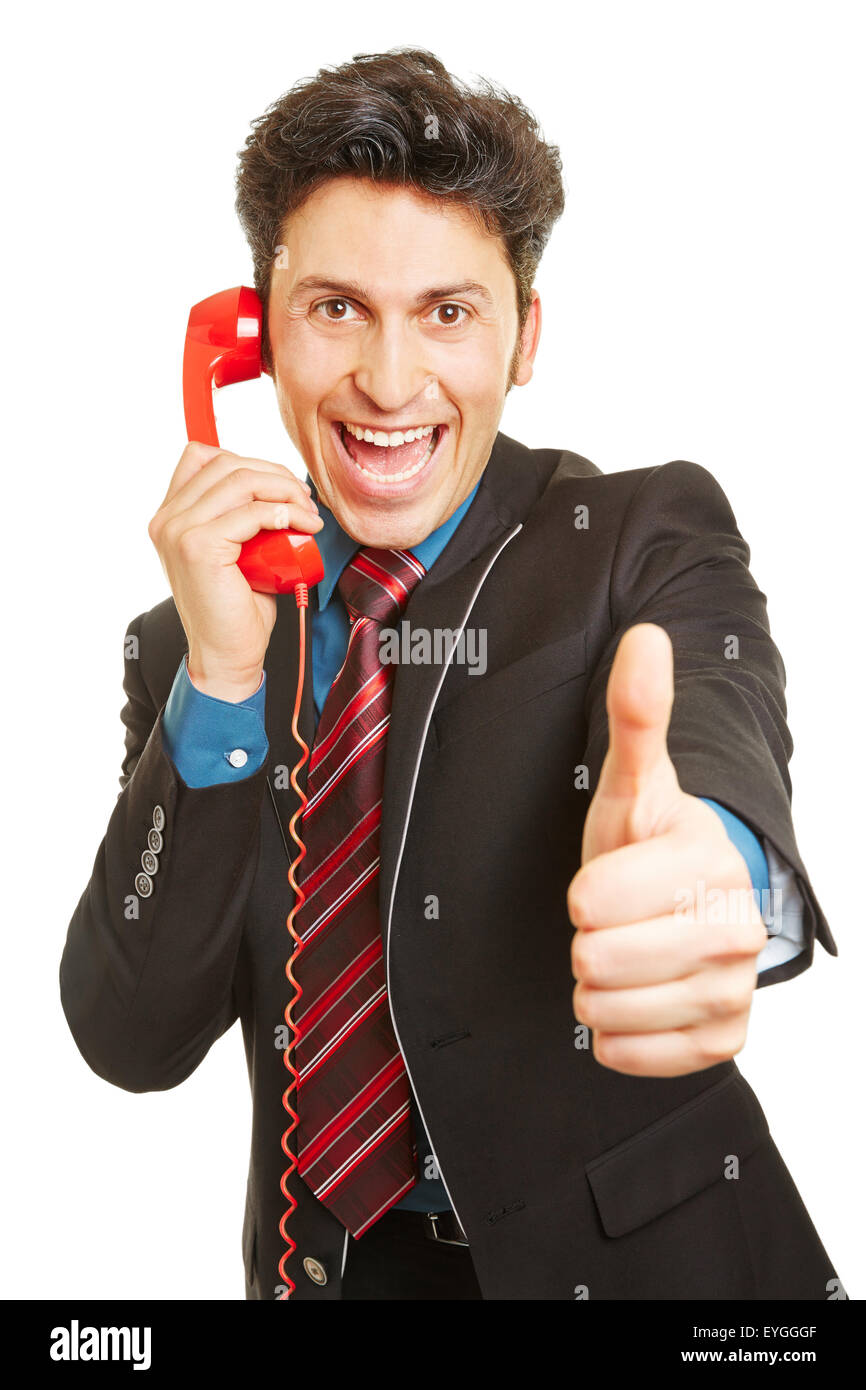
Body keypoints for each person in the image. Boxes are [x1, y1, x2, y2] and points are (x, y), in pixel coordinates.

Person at [60, 46, 843, 1300]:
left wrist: (711, 882)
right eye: (336, 308)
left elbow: (713, 713)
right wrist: (220, 679)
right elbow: (130, 1035)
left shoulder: (637, 536)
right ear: (253, 337)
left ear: (523, 335)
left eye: (447, 312)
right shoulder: (186, 646)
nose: (386, 382)